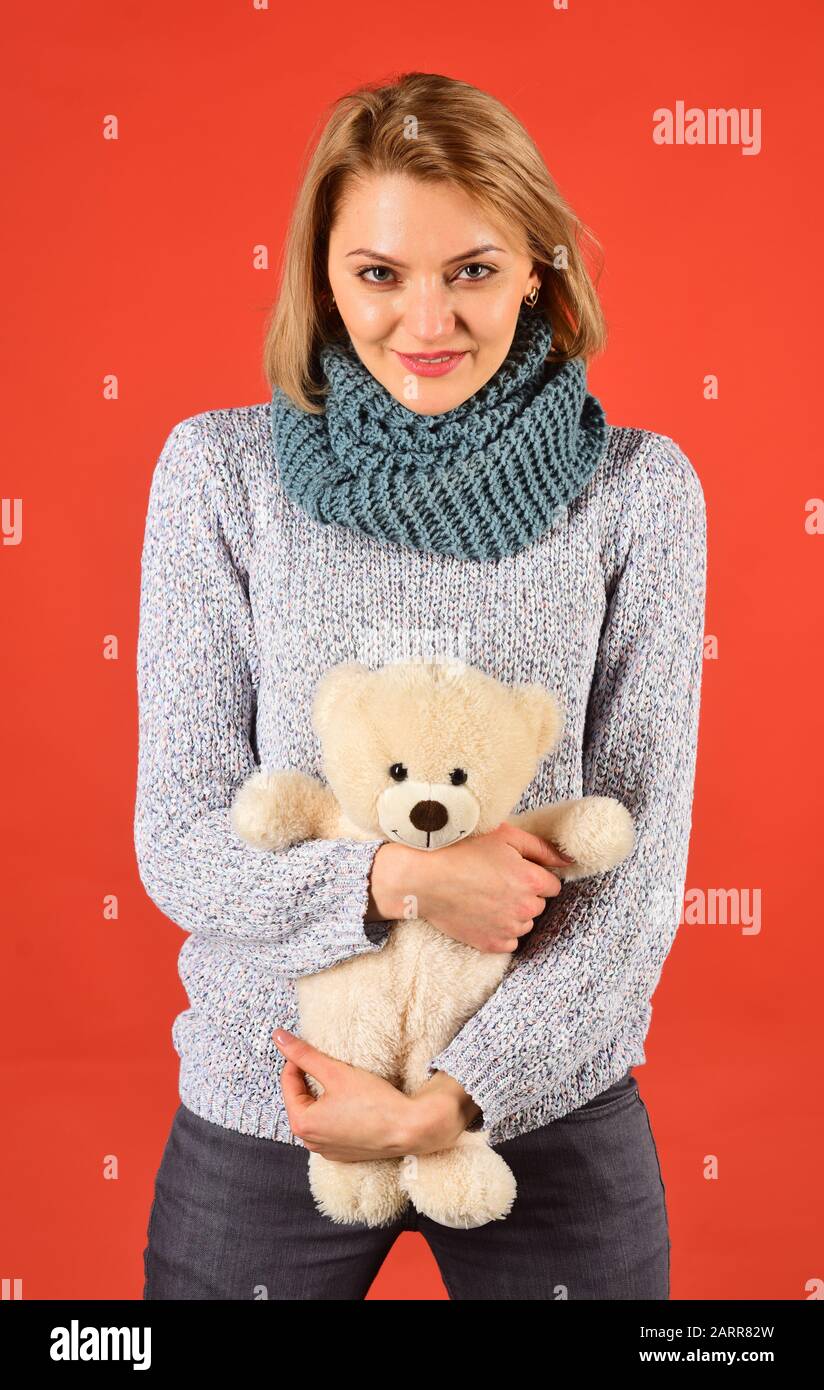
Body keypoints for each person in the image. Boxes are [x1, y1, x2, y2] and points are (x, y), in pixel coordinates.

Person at [136, 70, 707, 1300]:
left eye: (473, 270)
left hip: (540, 1109)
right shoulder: (217, 475)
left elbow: (639, 867)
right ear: (322, 277)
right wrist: (399, 877)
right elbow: (179, 840)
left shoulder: (637, 493)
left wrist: (453, 1099)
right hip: (274, 1090)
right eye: (379, 273)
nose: (425, 319)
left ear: (540, 270)